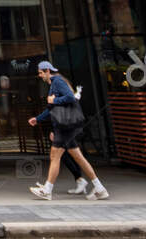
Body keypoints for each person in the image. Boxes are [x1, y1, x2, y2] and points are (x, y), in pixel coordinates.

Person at [27, 60, 107, 201]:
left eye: (40, 73)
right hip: (65, 127)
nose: (39, 75)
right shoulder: (54, 84)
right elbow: (51, 109)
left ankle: (47, 190)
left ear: (47, 71)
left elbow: (70, 97)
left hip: (65, 127)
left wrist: (54, 101)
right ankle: (99, 188)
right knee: (79, 158)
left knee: (55, 156)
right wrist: (38, 119)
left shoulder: (57, 82)